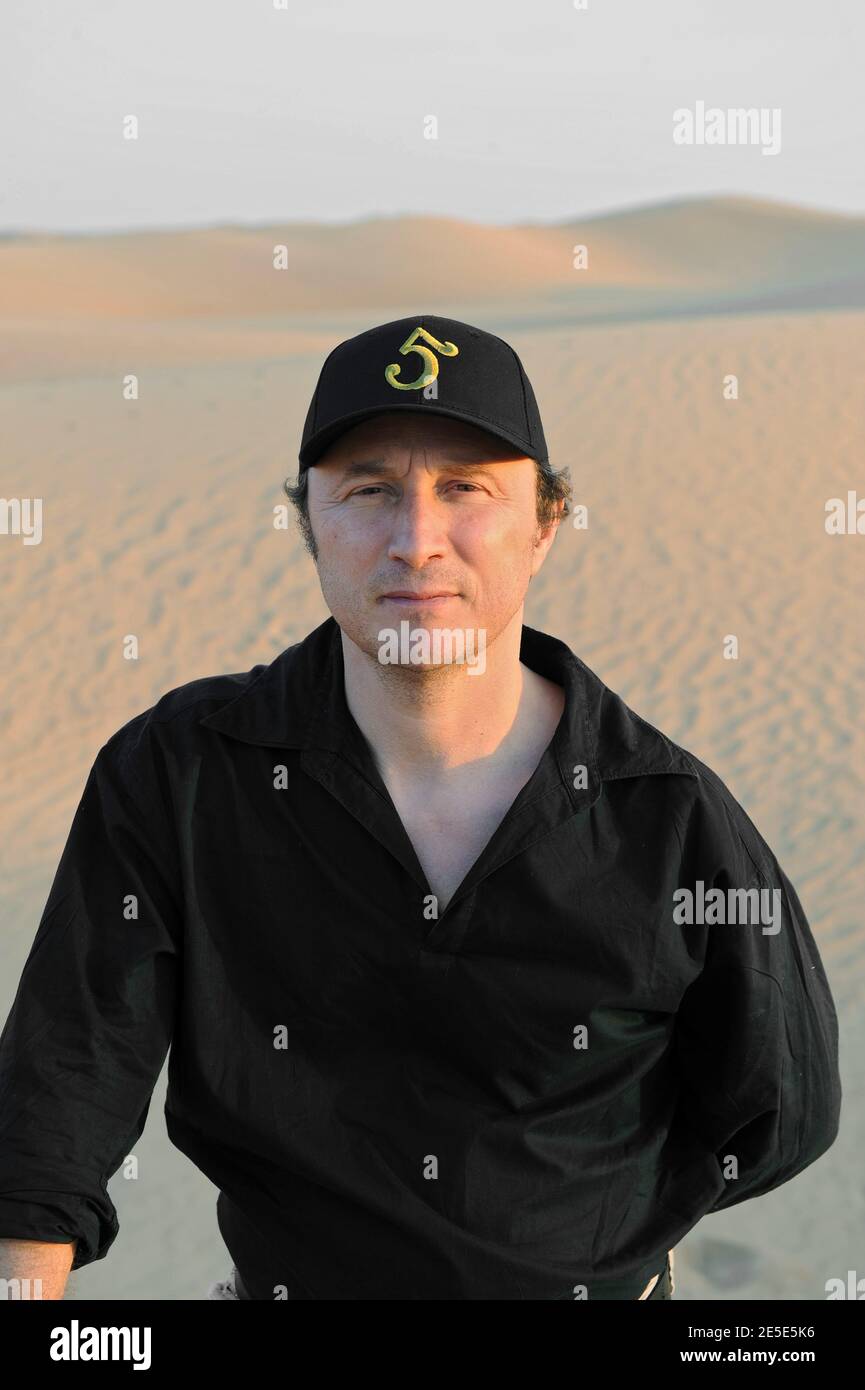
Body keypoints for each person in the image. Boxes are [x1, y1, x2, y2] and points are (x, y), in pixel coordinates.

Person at [0, 315, 841, 1301]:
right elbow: (68, 1075)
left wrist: (583, 1226)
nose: (414, 540)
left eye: (464, 489)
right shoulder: (182, 775)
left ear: (544, 524)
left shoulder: (666, 818)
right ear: (309, 519)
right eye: (369, 490)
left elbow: (781, 1104)